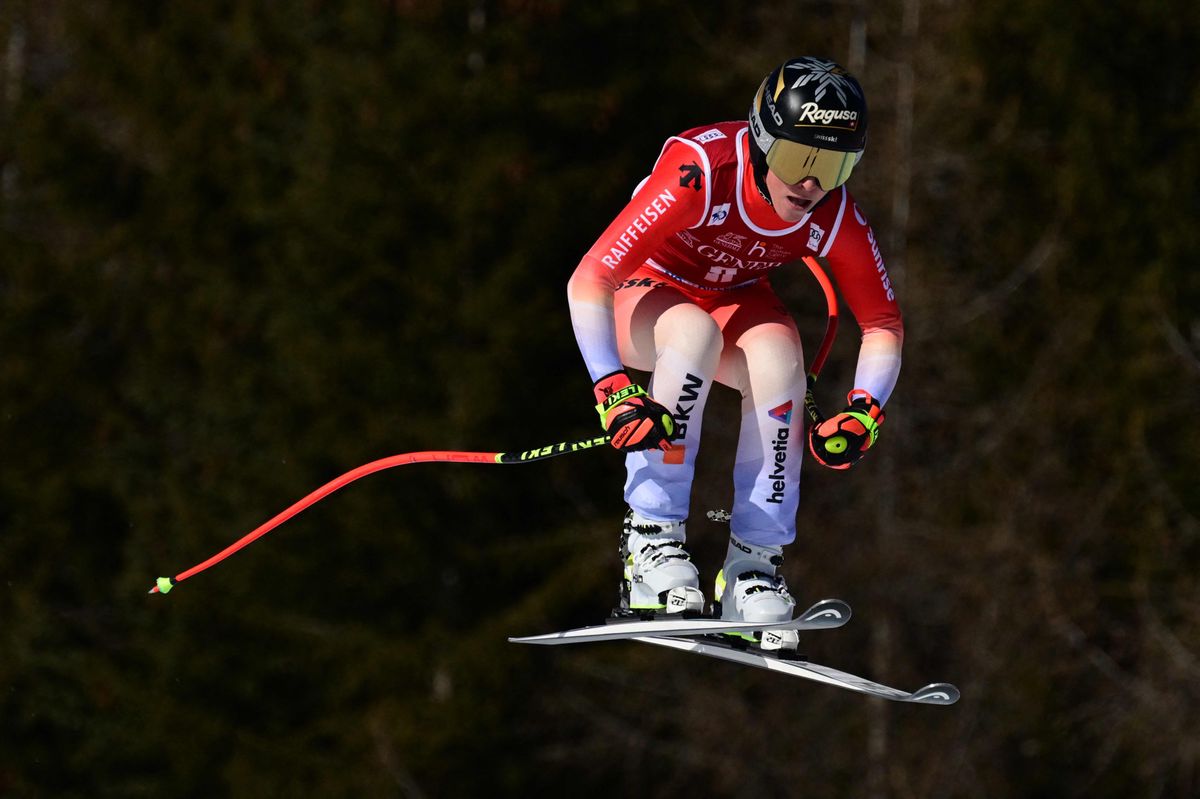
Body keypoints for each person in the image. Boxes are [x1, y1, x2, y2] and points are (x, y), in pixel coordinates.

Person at [566, 56, 902, 650]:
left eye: (835, 164)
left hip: (734, 298)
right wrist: (611, 387)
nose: (813, 184)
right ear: (764, 140)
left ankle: (754, 566)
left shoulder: (834, 214)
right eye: (801, 159)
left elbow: (882, 324)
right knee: (691, 334)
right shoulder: (703, 170)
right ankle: (651, 542)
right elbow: (589, 278)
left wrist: (863, 409)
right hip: (644, 294)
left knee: (779, 357)